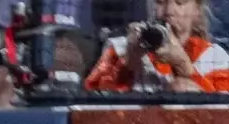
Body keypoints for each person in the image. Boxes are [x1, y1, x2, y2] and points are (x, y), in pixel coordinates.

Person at [84, 0, 229, 91]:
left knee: (183, 88)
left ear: (197, 10)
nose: (168, 12)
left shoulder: (216, 56)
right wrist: (127, 64)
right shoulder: (121, 47)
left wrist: (184, 66)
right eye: (160, 2)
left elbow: (223, 119)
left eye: (179, 3)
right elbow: (91, 103)